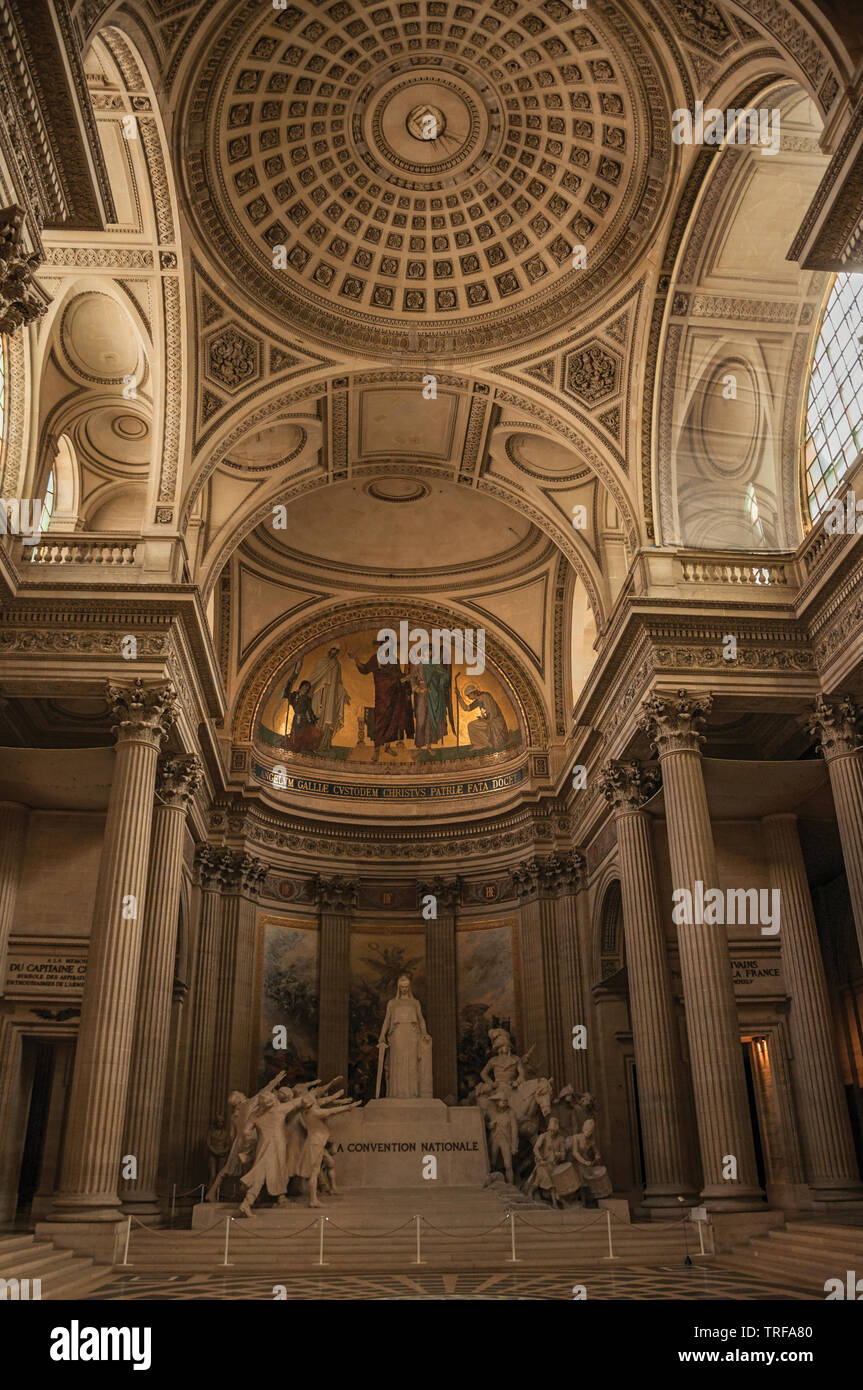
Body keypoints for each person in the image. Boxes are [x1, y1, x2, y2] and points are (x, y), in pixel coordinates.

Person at [205, 1070, 285, 1202]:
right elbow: (265, 1090)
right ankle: (271, 1196)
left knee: (227, 1170)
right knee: (261, 1165)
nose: (243, 1094)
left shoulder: (234, 1115)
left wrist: (234, 1148)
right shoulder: (249, 1104)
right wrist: (277, 1079)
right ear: (240, 1098)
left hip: (238, 1142)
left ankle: (211, 1192)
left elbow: (231, 1135)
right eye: (241, 1094)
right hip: (251, 1140)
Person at [237, 1089, 305, 1216]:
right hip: (276, 1147)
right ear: (273, 1101)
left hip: (263, 1147)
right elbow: (298, 1101)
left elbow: (246, 1132)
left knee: (268, 1172)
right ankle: (247, 1203)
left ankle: (277, 1196)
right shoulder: (279, 1110)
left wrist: (247, 1147)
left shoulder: (255, 1115)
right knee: (265, 1173)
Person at [295, 1093, 360, 1207]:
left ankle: (319, 1196)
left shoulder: (307, 1112)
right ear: (312, 1102)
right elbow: (331, 1111)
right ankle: (313, 1200)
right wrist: (348, 1107)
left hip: (316, 1143)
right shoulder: (315, 1112)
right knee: (314, 1173)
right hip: (315, 1144)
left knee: (318, 1170)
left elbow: (325, 1104)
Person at [353, 647, 413, 762]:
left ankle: (387, 747)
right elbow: (365, 669)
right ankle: (376, 751)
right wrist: (356, 659)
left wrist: (406, 678)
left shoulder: (395, 660)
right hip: (382, 695)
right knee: (380, 722)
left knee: (392, 722)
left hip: (394, 695)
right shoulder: (376, 658)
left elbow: (399, 676)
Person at [377, 974, 431, 1098]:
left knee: (412, 1062)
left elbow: (421, 1019)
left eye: (406, 987)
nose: (404, 989)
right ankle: (396, 1092)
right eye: (402, 987)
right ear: (399, 988)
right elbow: (387, 1020)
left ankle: (412, 1092)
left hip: (412, 1034)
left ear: (409, 987)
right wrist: (382, 1036)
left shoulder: (415, 1002)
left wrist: (425, 1032)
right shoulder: (392, 1003)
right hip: (397, 1034)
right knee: (398, 1062)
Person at [308, 645, 349, 752]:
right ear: (329, 650)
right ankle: (311, 743)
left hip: (331, 696)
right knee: (317, 715)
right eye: (333, 649)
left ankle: (324, 744)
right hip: (319, 693)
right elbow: (314, 677)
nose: (334, 652)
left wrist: (343, 692)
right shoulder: (322, 662)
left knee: (328, 718)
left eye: (337, 651)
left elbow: (339, 681)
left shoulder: (337, 665)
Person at [455, 678, 508, 751]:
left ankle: (488, 743)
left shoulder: (485, 696)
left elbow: (492, 711)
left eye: (468, 695)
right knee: (471, 725)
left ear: (473, 692)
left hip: (495, 721)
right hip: (487, 720)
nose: (468, 697)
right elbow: (467, 708)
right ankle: (479, 744)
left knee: (478, 726)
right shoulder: (477, 701)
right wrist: (459, 697)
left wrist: (485, 719)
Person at [527, 1116, 568, 1209]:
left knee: (542, 1180)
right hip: (542, 1164)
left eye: (554, 1130)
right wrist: (540, 1158)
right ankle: (554, 1203)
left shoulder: (561, 1139)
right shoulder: (543, 1136)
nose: (552, 1132)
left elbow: (563, 1154)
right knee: (547, 1180)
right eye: (550, 1130)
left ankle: (531, 1191)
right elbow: (536, 1148)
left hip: (553, 1165)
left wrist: (558, 1154)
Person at [282, 661, 321, 753]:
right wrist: (288, 685)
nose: (306, 689)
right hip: (297, 717)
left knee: (306, 733)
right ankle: (294, 747)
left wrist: (314, 718)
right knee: (295, 732)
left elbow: (309, 710)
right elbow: (287, 695)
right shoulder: (294, 695)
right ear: (301, 686)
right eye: (305, 686)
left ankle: (308, 748)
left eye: (307, 688)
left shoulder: (307, 698)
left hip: (303, 717)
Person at [484, 1090, 519, 1186]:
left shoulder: (511, 1113)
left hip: (505, 1140)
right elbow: (484, 1124)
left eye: (506, 1101)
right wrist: (489, 1125)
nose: (504, 1102)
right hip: (494, 1139)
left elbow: (514, 1130)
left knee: (508, 1165)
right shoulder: (491, 1112)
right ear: (497, 1102)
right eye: (502, 1101)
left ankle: (511, 1185)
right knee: (492, 1163)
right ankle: (492, 1183)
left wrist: (514, 1145)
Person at [206, 1116, 230, 1188]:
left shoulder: (226, 1133)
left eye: (222, 1122)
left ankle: (218, 1191)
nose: (220, 1123)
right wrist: (214, 1151)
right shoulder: (211, 1132)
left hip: (222, 1154)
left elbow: (228, 1145)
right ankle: (209, 1191)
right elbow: (208, 1143)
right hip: (213, 1154)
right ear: (216, 1122)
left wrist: (222, 1151)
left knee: (220, 1174)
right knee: (212, 1175)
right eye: (219, 1121)